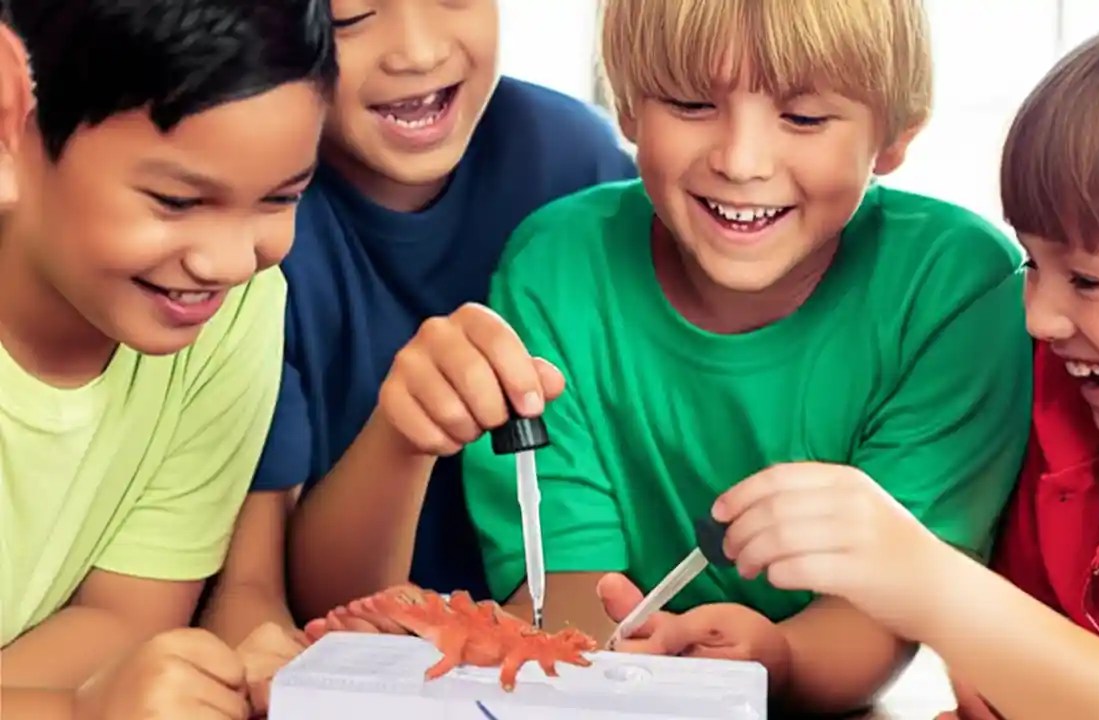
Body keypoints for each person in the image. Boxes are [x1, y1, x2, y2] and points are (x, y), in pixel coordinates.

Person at [301, 0, 1030, 713]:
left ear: (897, 134)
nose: (741, 162)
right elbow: (566, 585)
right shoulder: (556, 267)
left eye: (804, 118)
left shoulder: (955, 289)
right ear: (627, 109)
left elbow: (888, 612)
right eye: (689, 104)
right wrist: (614, 658)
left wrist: (778, 663)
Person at [705, 2, 1099, 719]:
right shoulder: (1059, 406)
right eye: (1034, 263)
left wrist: (936, 586)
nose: (1037, 316)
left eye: (1090, 281)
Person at [227, 0, 637, 628]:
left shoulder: (581, 171)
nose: (417, 52)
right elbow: (301, 602)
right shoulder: (256, 234)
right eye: (351, 16)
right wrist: (401, 437)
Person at [0, 0, 336, 717]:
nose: (227, 259)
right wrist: (73, 712)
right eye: (177, 201)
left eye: (281, 197)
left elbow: (125, 617)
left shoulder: (237, 309)